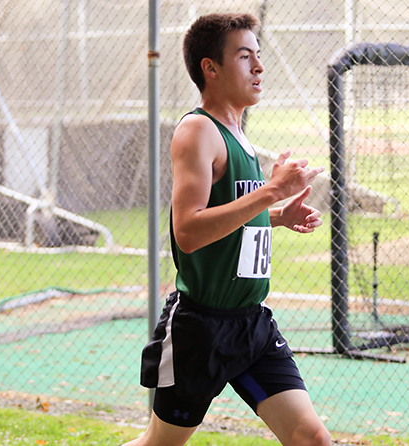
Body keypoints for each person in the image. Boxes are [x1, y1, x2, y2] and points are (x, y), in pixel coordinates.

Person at [122, 12, 331, 446]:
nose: (258, 67)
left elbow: (230, 215)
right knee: (159, 444)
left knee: (310, 437)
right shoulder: (198, 131)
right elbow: (190, 231)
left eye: (258, 55)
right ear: (210, 68)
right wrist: (270, 193)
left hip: (252, 324)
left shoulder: (240, 134)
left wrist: (276, 216)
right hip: (200, 329)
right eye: (244, 56)